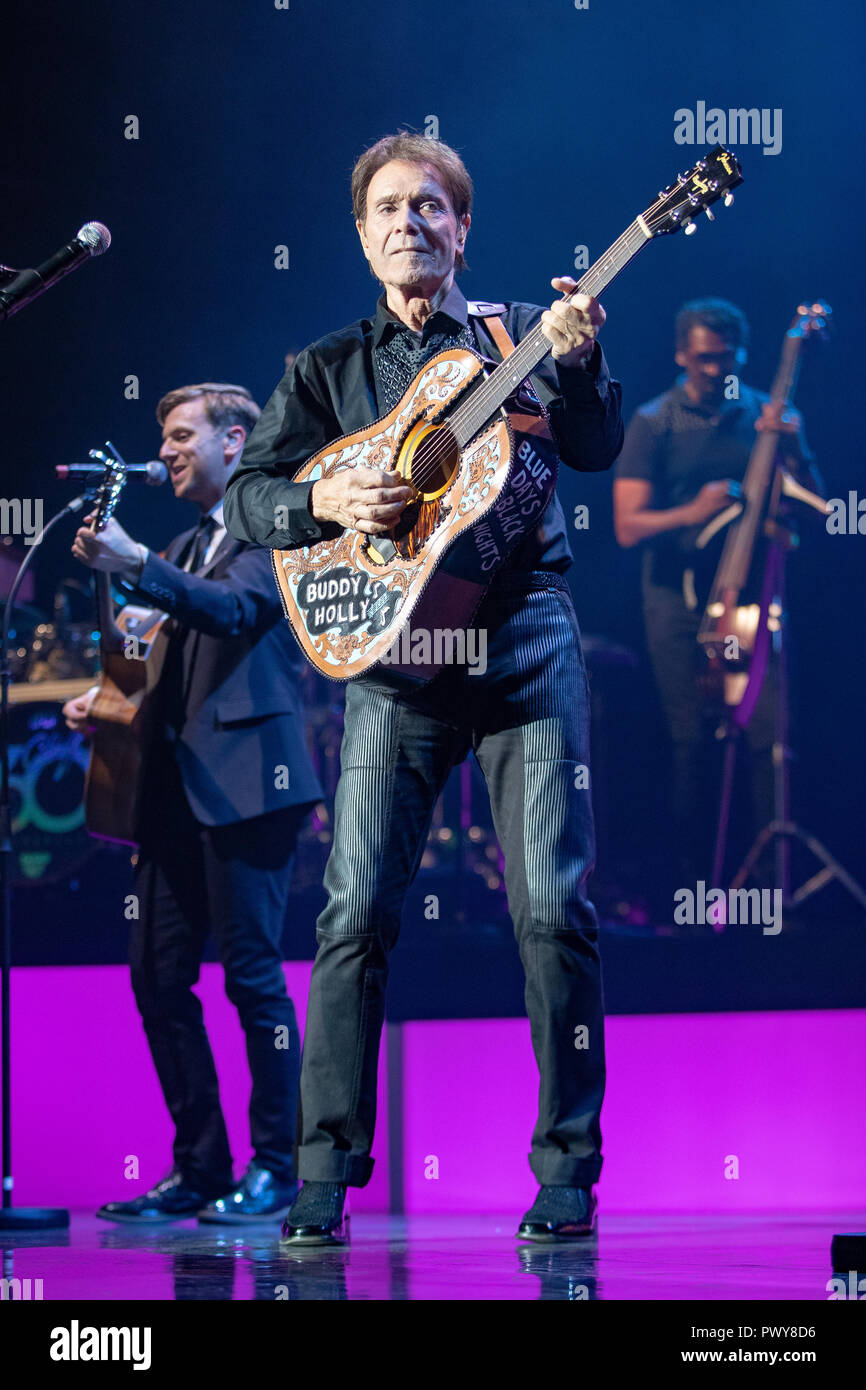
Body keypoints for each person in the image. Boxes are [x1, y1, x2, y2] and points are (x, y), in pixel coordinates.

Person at [224, 133, 624, 1244]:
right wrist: (329, 508)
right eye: (390, 207)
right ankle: (320, 1170)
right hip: (393, 656)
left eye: (433, 206)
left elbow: (590, 445)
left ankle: (566, 1170)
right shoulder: (320, 370)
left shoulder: (514, 338)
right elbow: (247, 497)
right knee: (353, 909)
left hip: (521, 636)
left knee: (552, 906)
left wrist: (580, 361)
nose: (411, 221)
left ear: (462, 230)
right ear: (361, 236)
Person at [63, 382, 322, 1224]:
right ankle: (202, 1166)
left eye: (182, 437)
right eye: (165, 439)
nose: (167, 451)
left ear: (236, 442)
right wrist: (107, 702)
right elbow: (158, 655)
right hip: (173, 792)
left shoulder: (266, 526)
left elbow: (234, 608)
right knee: (158, 976)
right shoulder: (183, 540)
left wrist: (138, 562)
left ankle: (279, 1169)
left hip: (251, 785)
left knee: (252, 978)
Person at [612, 299, 822, 890]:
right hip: (677, 603)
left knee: (766, 737)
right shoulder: (655, 423)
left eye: (724, 359)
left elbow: (818, 504)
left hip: (752, 604)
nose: (713, 370)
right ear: (683, 355)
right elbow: (628, 526)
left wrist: (796, 447)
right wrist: (694, 511)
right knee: (692, 738)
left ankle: (768, 887)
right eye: (703, 359)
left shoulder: (766, 415)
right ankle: (694, 886)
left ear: (741, 355)